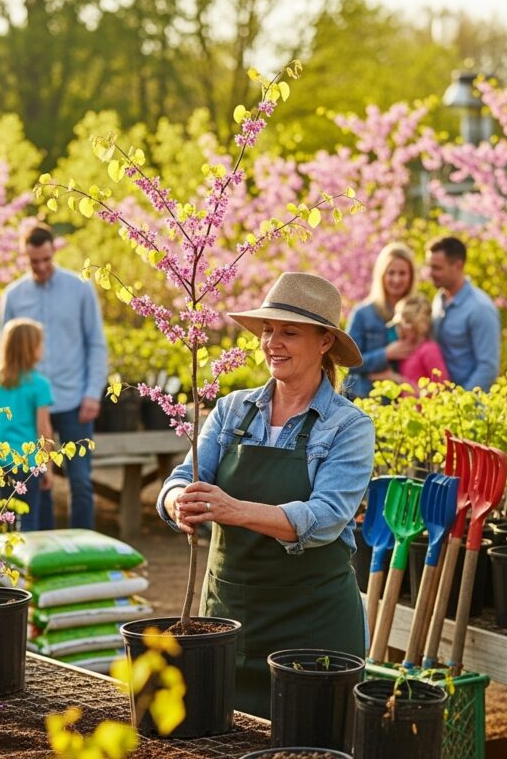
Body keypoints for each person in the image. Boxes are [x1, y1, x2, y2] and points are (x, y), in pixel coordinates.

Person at [156, 272, 374, 719]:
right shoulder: (233, 409)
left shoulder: (347, 426)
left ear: (325, 342)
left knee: (309, 741)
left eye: (290, 332)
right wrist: (177, 500)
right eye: (268, 331)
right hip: (230, 618)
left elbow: (327, 517)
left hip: (314, 624)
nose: (273, 342)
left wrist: (234, 510)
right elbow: (182, 475)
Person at [0, 223, 108, 529]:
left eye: (46, 259)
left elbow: (96, 343)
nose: (42, 267)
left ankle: (83, 548)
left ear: (53, 252)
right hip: (31, 406)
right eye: (35, 262)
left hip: (75, 399)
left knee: (81, 482)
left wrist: (92, 393)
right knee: (39, 481)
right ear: (25, 256)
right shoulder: (14, 296)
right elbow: (5, 354)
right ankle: (44, 553)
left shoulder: (80, 288)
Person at [0, 318, 55, 532]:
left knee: (4, 518)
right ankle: (24, 564)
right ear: (30, 348)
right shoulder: (39, 384)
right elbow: (44, 430)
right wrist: (49, 468)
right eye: (40, 343)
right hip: (28, 462)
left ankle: (5, 564)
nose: (43, 348)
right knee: (27, 517)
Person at [344, 242, 417, 399]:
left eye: (402, 273)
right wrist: (385, 355)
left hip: (404, 402)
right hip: (366, 400)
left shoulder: (418, 314)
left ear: (411, 276)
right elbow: (347, 362)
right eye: (391, 273)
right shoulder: (363, 314)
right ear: (381, 275)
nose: (396, 279)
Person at [426, 236, 500, 391]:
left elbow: (488, 368)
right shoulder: (439, 299)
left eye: (437, 268)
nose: (430, 273)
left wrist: (460, 402)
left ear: (457, 266)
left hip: (467, 408)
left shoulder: (480, 308)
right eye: (430, 267)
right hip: (439, 404)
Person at [370, 294, 450, 389]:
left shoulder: (429, 350)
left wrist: (396, 378)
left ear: (413, 326)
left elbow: (442, 390)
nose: (397, 330)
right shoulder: (405, 350)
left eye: (400, 325)